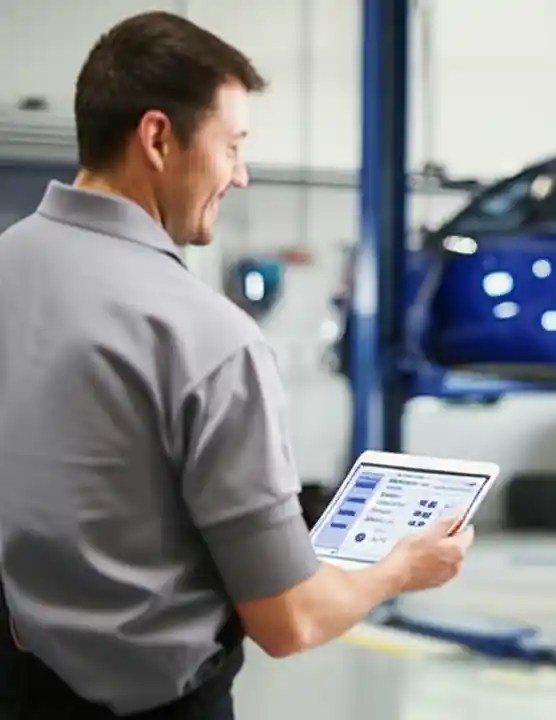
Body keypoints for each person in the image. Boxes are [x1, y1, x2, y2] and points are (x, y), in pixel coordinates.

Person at [0, 12, 474, 719]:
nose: (241, 175)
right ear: (158, 138)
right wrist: (401, 568)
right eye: (233, 146)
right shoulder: (209, 337)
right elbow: (290, 619)